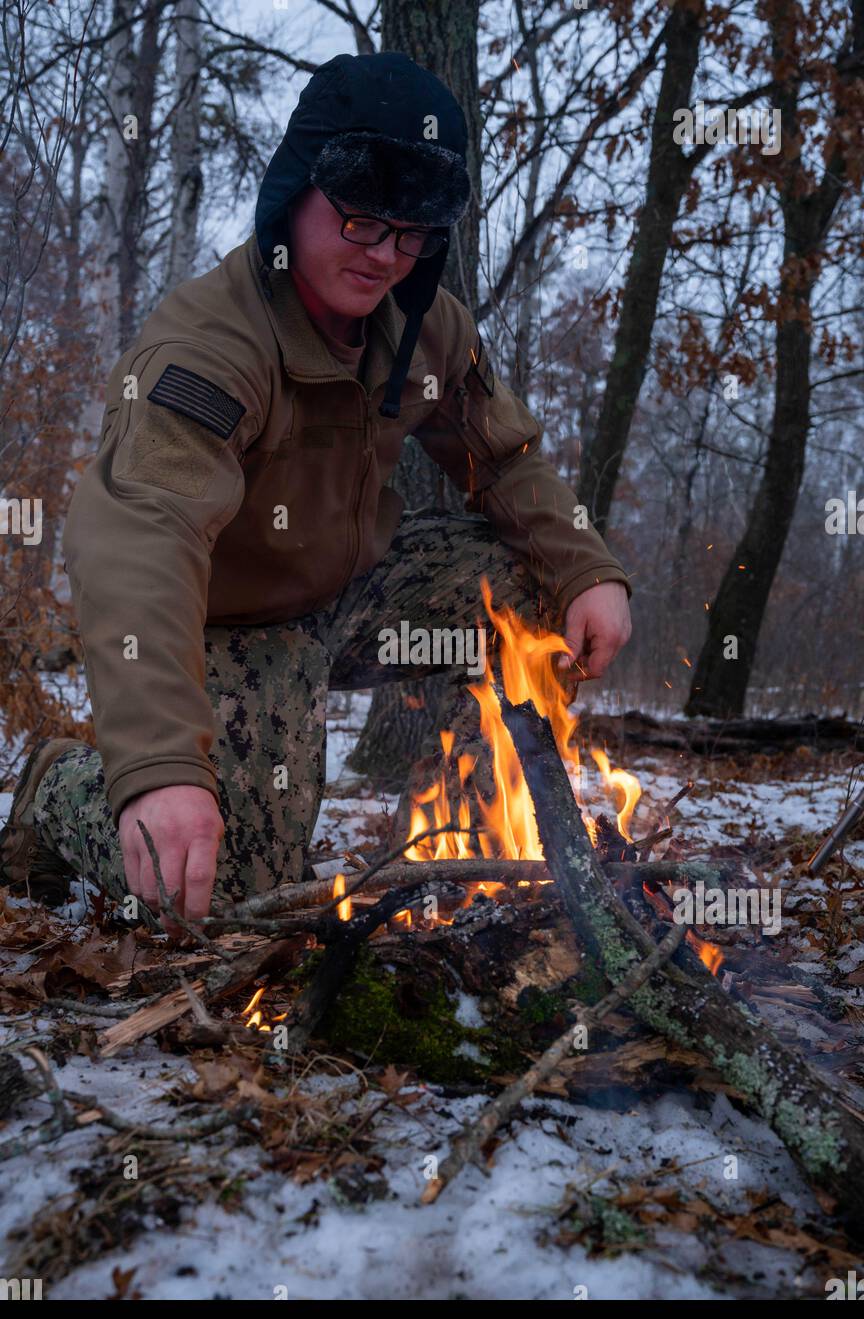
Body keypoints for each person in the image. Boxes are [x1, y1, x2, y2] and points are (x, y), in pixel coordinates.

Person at [0, 51, 631, 931]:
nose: (385, 257)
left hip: (355, 591)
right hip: (229, 623)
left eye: (411, 234)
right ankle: (58, 791)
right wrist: (161, 769)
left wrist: (586, 568)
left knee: (526, 587)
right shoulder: (209, 346)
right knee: (223, 893)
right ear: (292, 194)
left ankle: (478, 856)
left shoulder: (424, 321)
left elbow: (506, 456)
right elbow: (139, 532)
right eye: (363, 222)